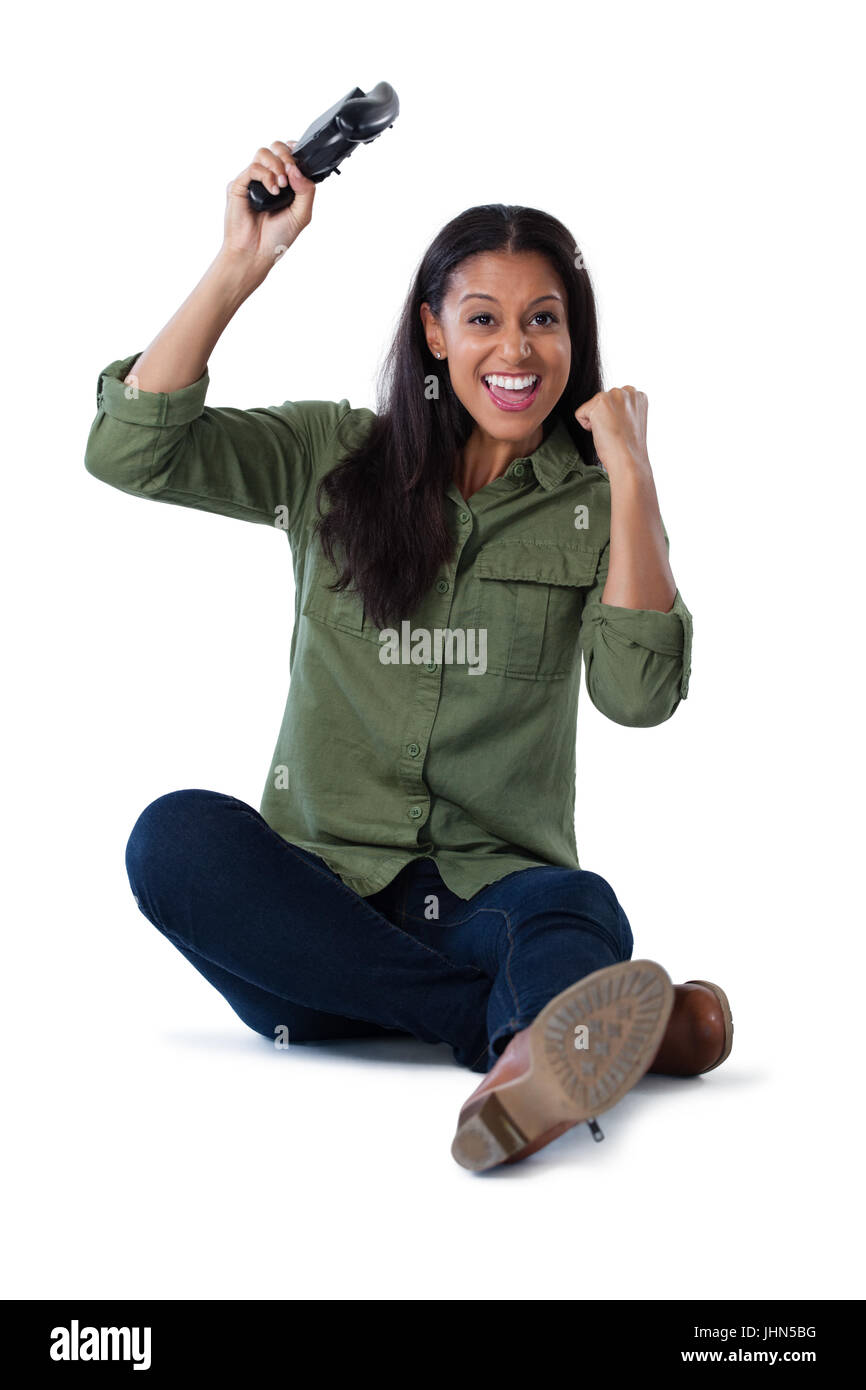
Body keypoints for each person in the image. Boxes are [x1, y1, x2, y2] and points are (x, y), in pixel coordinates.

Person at [84, 138, 733, 1173]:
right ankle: (532, 1035)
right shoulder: (327, 458)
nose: (513, 352)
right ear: (433, 333)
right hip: (311, 926)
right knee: (174, 840)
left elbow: (637, 695)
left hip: (489, 906)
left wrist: (629, 476)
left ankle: (545, 1030)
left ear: (574, 338)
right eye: (481, 319)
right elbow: (129, 450)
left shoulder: (592, 503)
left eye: (542, 320)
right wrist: (239, 264)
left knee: (571, 905)